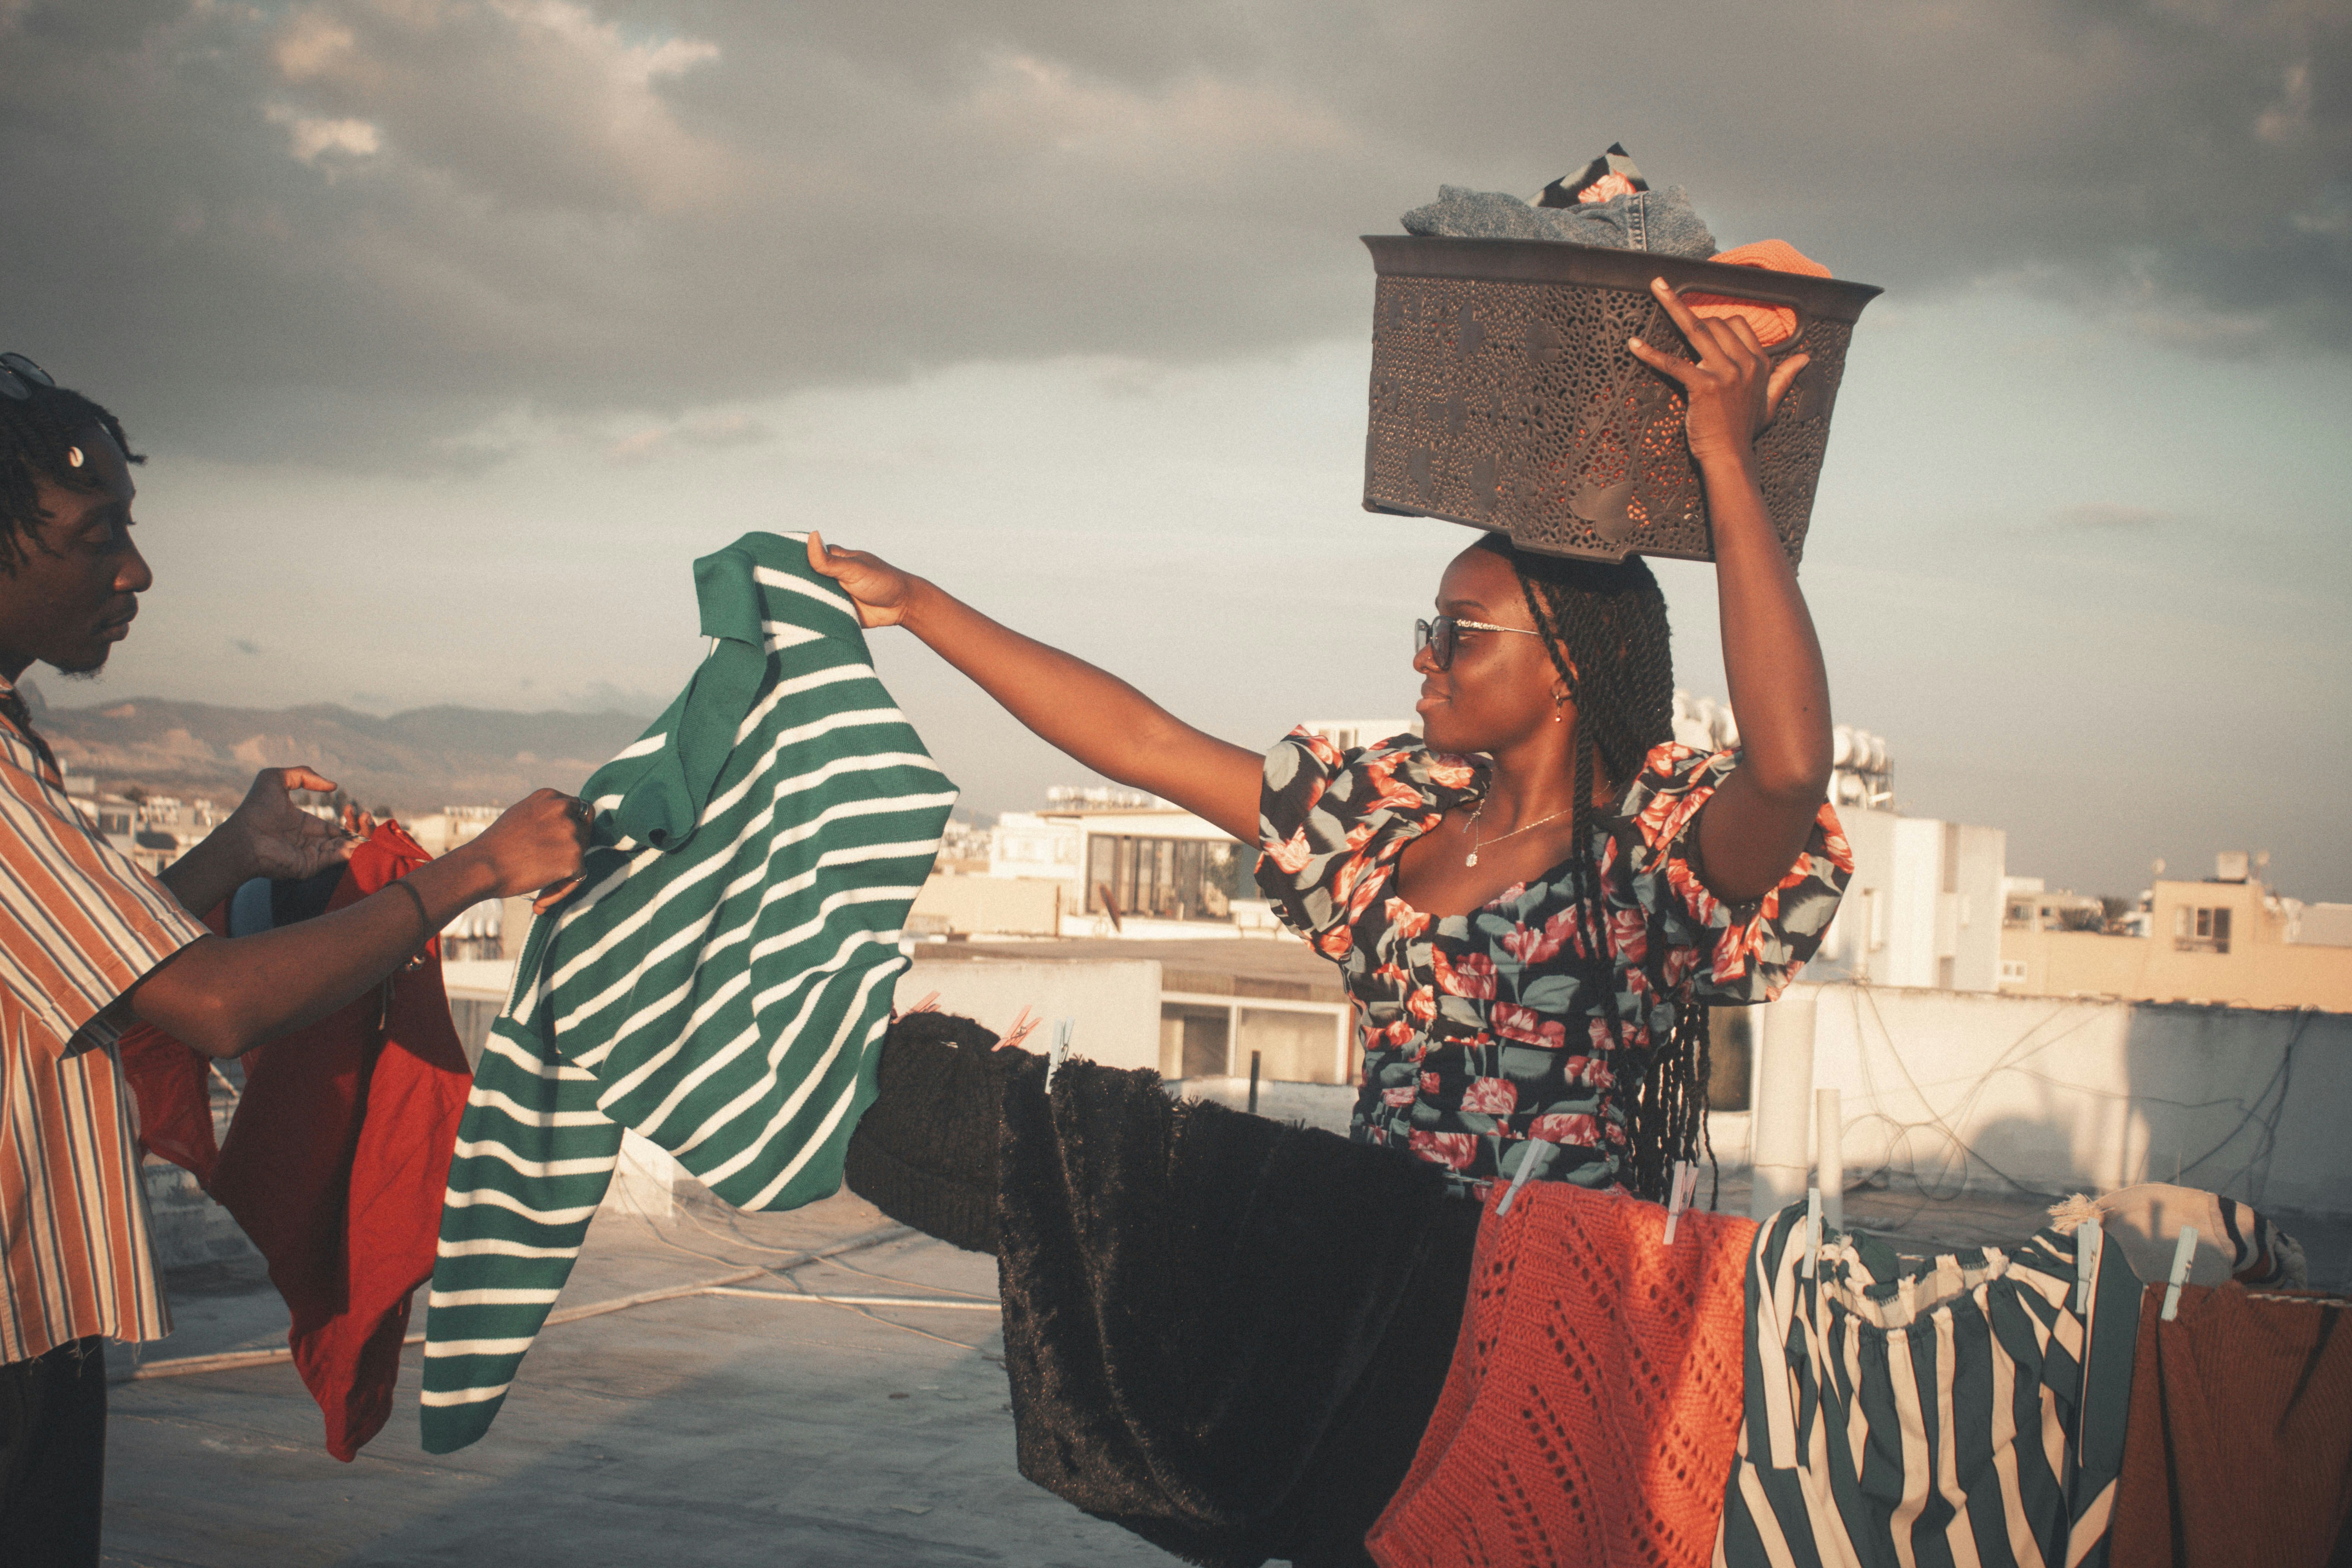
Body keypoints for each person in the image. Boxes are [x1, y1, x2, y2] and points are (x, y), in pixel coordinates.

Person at [807, 278, 1852, 1198]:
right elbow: (1143, 743)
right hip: (1372, 1310)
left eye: (1458, 633)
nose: (1425, 658)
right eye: (1427, 628)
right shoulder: (1378, 825)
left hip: (1557, 1324)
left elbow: (1792, 761)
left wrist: (1724, 460)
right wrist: (920, 605)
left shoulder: (1654, 865)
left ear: (1570, 665)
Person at [0, 354, 588, 1564]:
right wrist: (472, 872)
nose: (138, 569)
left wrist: (233, 854)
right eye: (97, 532)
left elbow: (70, 967)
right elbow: (209, 1006)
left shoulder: (18, 744)